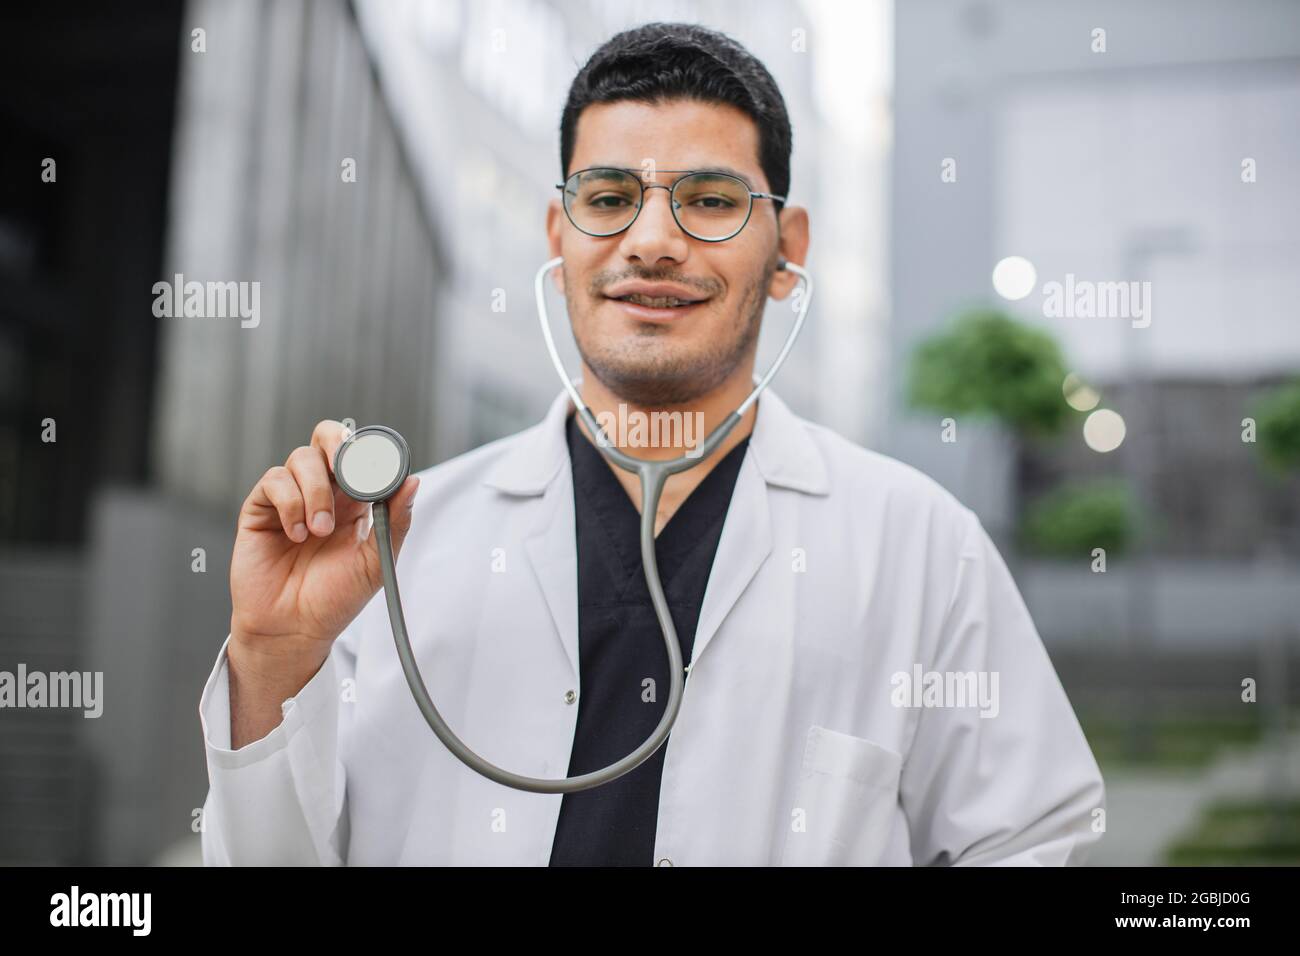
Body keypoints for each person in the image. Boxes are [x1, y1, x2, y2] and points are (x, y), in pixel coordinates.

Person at [198, 22, 1104, 866]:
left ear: (788, 251)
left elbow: (1030, 841)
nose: (654, 241)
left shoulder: (919, 548)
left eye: (710, 200)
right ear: (560, 236)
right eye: (610, 198)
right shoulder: (393, 548)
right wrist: (274, 655)